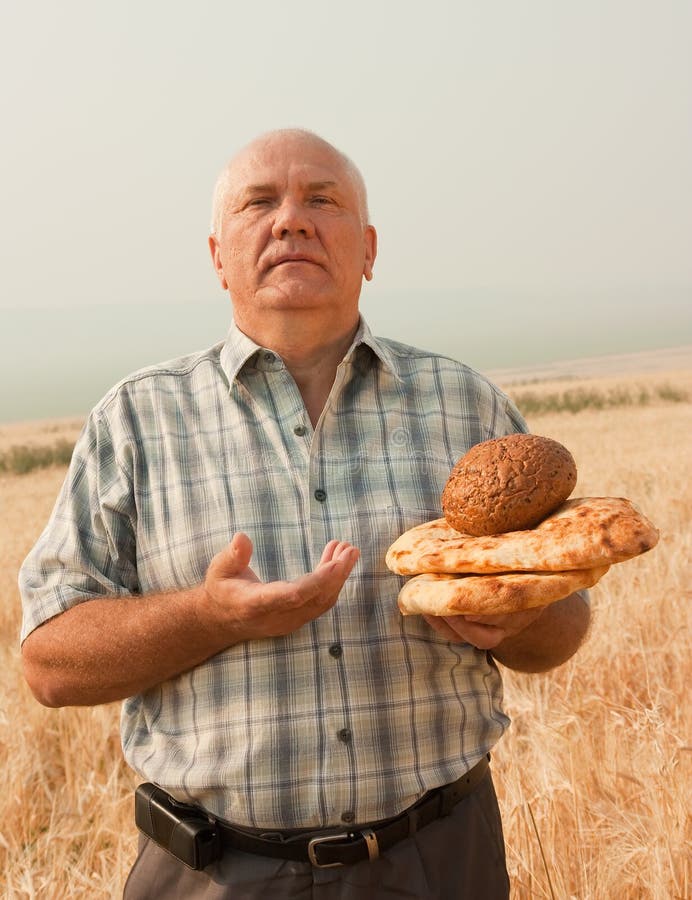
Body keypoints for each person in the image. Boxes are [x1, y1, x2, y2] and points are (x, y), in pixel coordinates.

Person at [19, 129, 591, 899]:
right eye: (259, 203)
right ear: (218, 257)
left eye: (323, 199)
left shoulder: (467, 406)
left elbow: (565, 625)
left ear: (369, 249)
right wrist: (209, 617)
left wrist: (518, 617)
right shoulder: (135, 420)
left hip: (439, 862)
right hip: (212, 876)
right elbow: (48, 664)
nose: (291, 220)